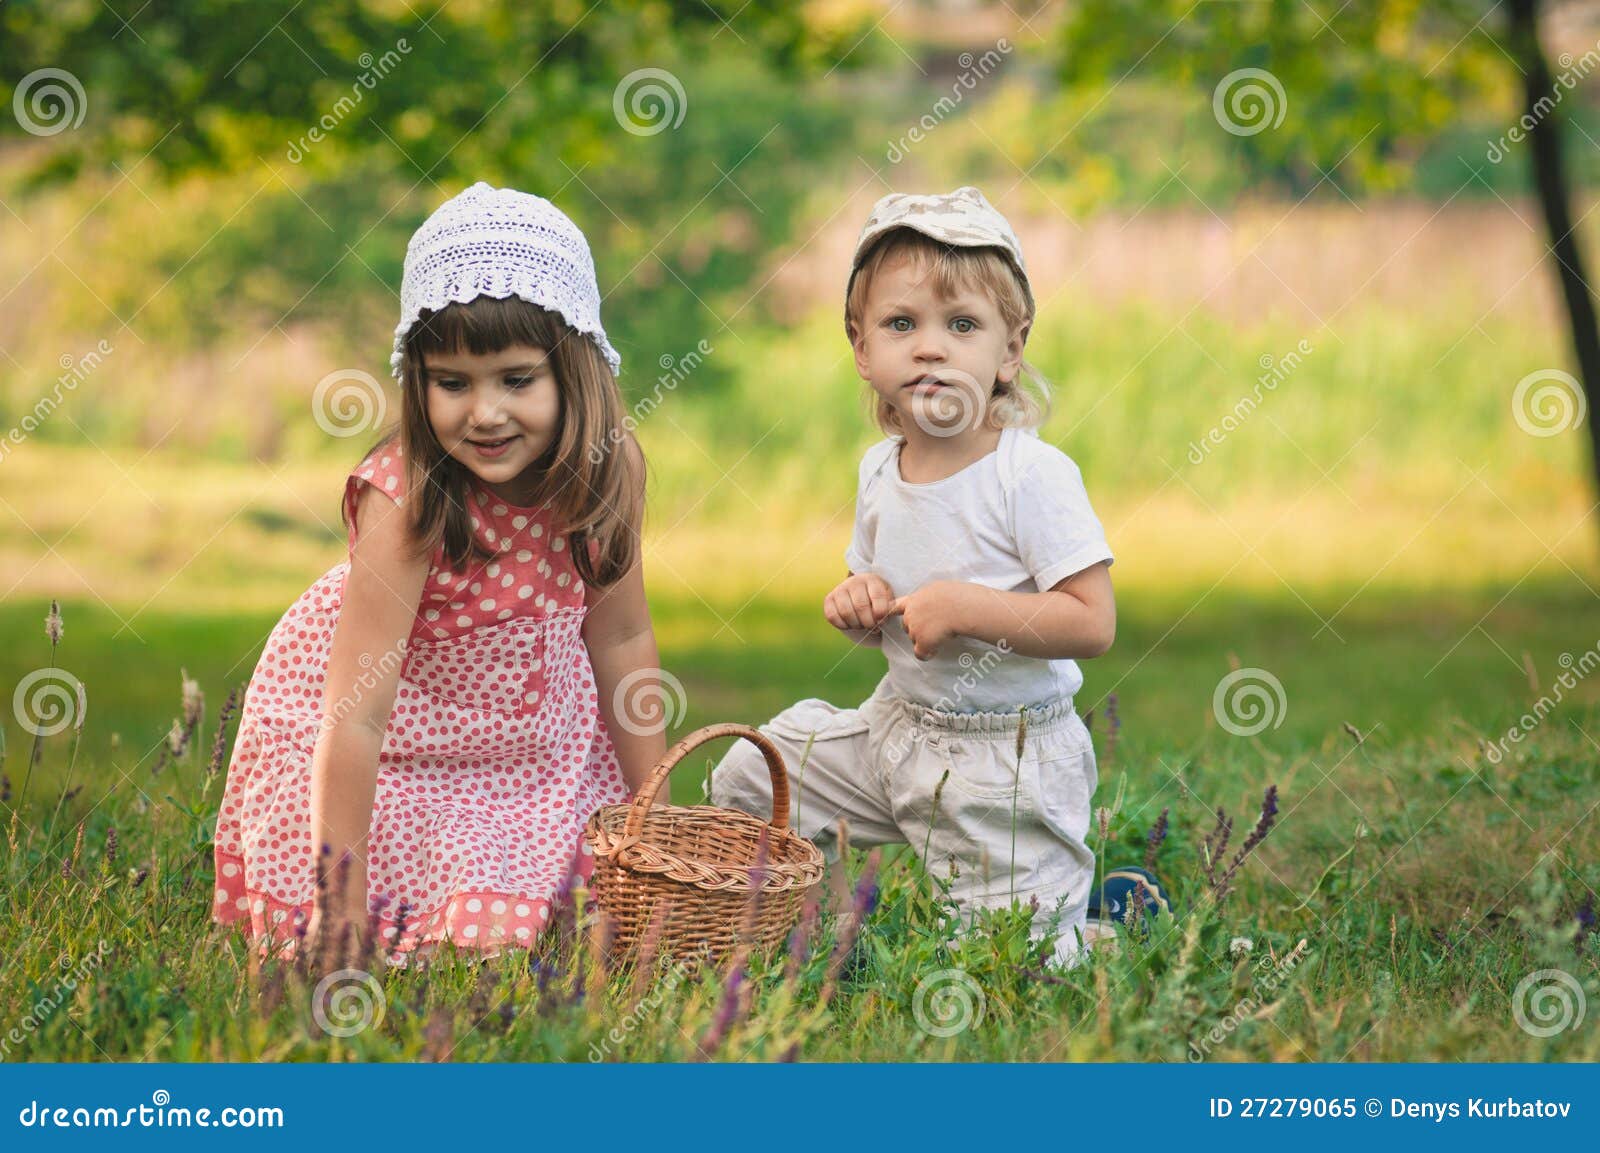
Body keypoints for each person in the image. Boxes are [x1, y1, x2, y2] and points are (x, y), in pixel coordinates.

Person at [709, 186, 1170, 968]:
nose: (930, 348)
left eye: (962, 326)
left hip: (1004, 760)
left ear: (1010, 350)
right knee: (755, 772)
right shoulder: (879, 470)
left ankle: (1107, 922)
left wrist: (966, 607)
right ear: (862, 349)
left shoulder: (1031, 475)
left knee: (1007, 963)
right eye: (902, 325)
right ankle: (814, 936)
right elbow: (882, 604)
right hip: (896, 730)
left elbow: (1092, 622)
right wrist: (857, 604)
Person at [211, 182, 666, 967]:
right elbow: (353, 719)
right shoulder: (412, 499)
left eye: (516, 379)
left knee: (596, 910)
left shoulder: (605, 468)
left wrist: (653, 825)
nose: (483, 412)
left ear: (576, 368)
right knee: (461, 934)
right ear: (417, 380)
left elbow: (622, 638)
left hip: (531, 756)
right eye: (452, 382)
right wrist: (339, 905)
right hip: (395, 754)